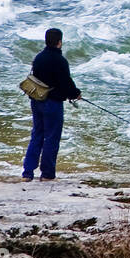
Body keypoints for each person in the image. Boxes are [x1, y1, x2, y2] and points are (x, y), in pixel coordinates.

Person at [22, 28, 81, 181]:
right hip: (52, 104)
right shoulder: (60, 60)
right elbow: (66, 83)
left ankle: (27, 173)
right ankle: (47, 174)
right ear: (59, 42)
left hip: (36, 101)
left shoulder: (39, 57)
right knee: (52, 138)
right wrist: (76, 94)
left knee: (37, 135)